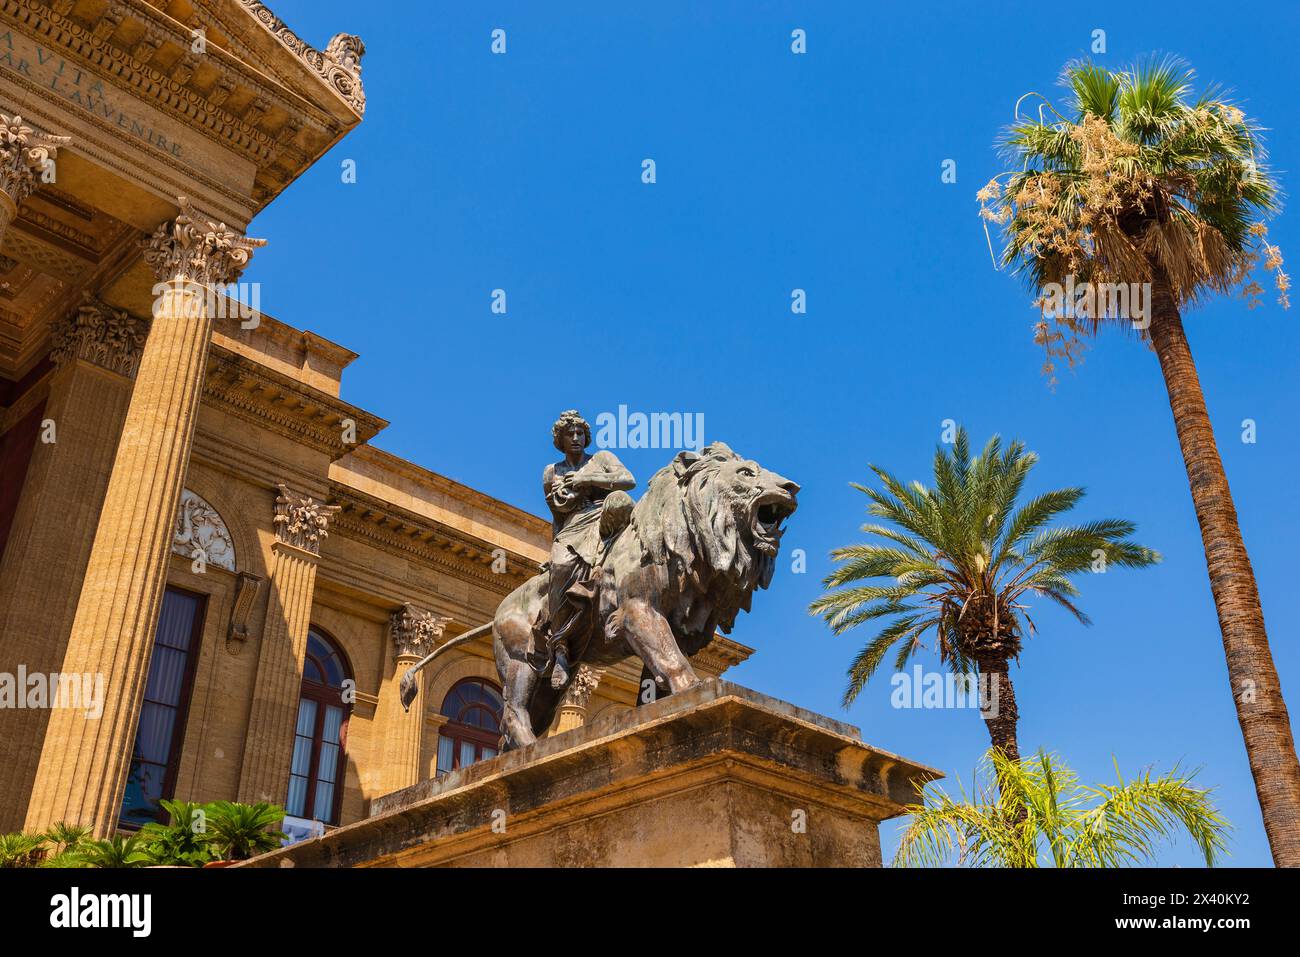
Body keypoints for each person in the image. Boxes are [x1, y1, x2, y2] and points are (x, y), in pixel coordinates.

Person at [537, 410, 635, 688]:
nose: (576, 438)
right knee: (562, 566)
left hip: (603, 516)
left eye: (580, 433)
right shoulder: (551, 473)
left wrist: (588, 480)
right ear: (561, 439)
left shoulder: (601, 459)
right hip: (572, 527)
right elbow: (557, 518)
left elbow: (628, 480)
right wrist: (554, 551)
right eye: (570, 433)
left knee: (622, 502)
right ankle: (561, 647)